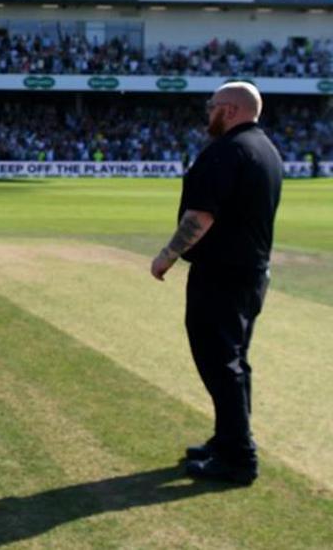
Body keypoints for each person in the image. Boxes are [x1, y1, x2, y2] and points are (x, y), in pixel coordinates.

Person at [150, 82, 283, 486]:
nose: (208, 113)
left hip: (222, 275)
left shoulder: (227, 151)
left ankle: (239, 457)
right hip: (250, 274)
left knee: (219, 363)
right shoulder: (266, 149)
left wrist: (167, 255)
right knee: (235, 361)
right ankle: (228, 441)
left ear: (229, 109)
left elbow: (201, 216)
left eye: (212, 106)